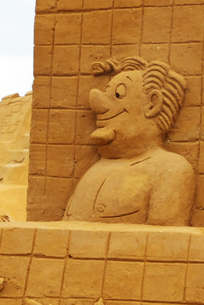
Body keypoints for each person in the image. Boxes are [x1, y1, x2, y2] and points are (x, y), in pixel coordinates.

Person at [63, 56, 194, 225]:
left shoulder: (170, 170)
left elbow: (163, 237)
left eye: (118, 94)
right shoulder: (95, 170)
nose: (98, 107)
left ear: (152, 105)